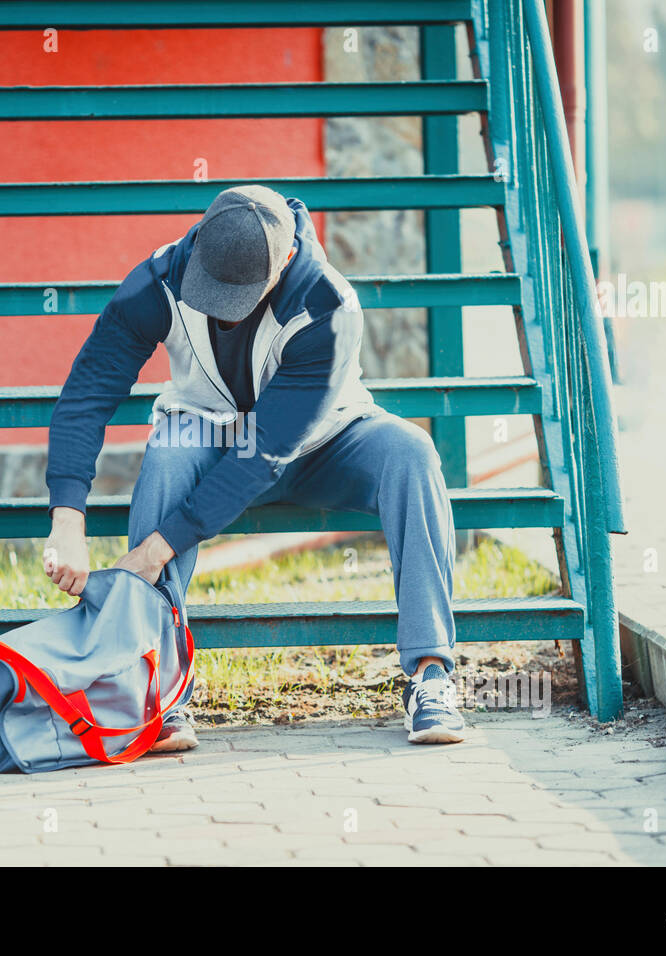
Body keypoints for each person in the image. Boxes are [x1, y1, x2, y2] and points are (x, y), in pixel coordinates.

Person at [42, 184, 462, 751]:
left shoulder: (328, 306)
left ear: (284, 261)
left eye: (237, 296)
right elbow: (90, 387)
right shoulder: (161, 277)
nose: (221, 309)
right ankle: (157, 687)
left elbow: (263, 453)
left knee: (412, 453)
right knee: (168, 454)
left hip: (321, 442)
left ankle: (431, 672)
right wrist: (67, 517)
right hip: (205, 435)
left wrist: (153, 549)